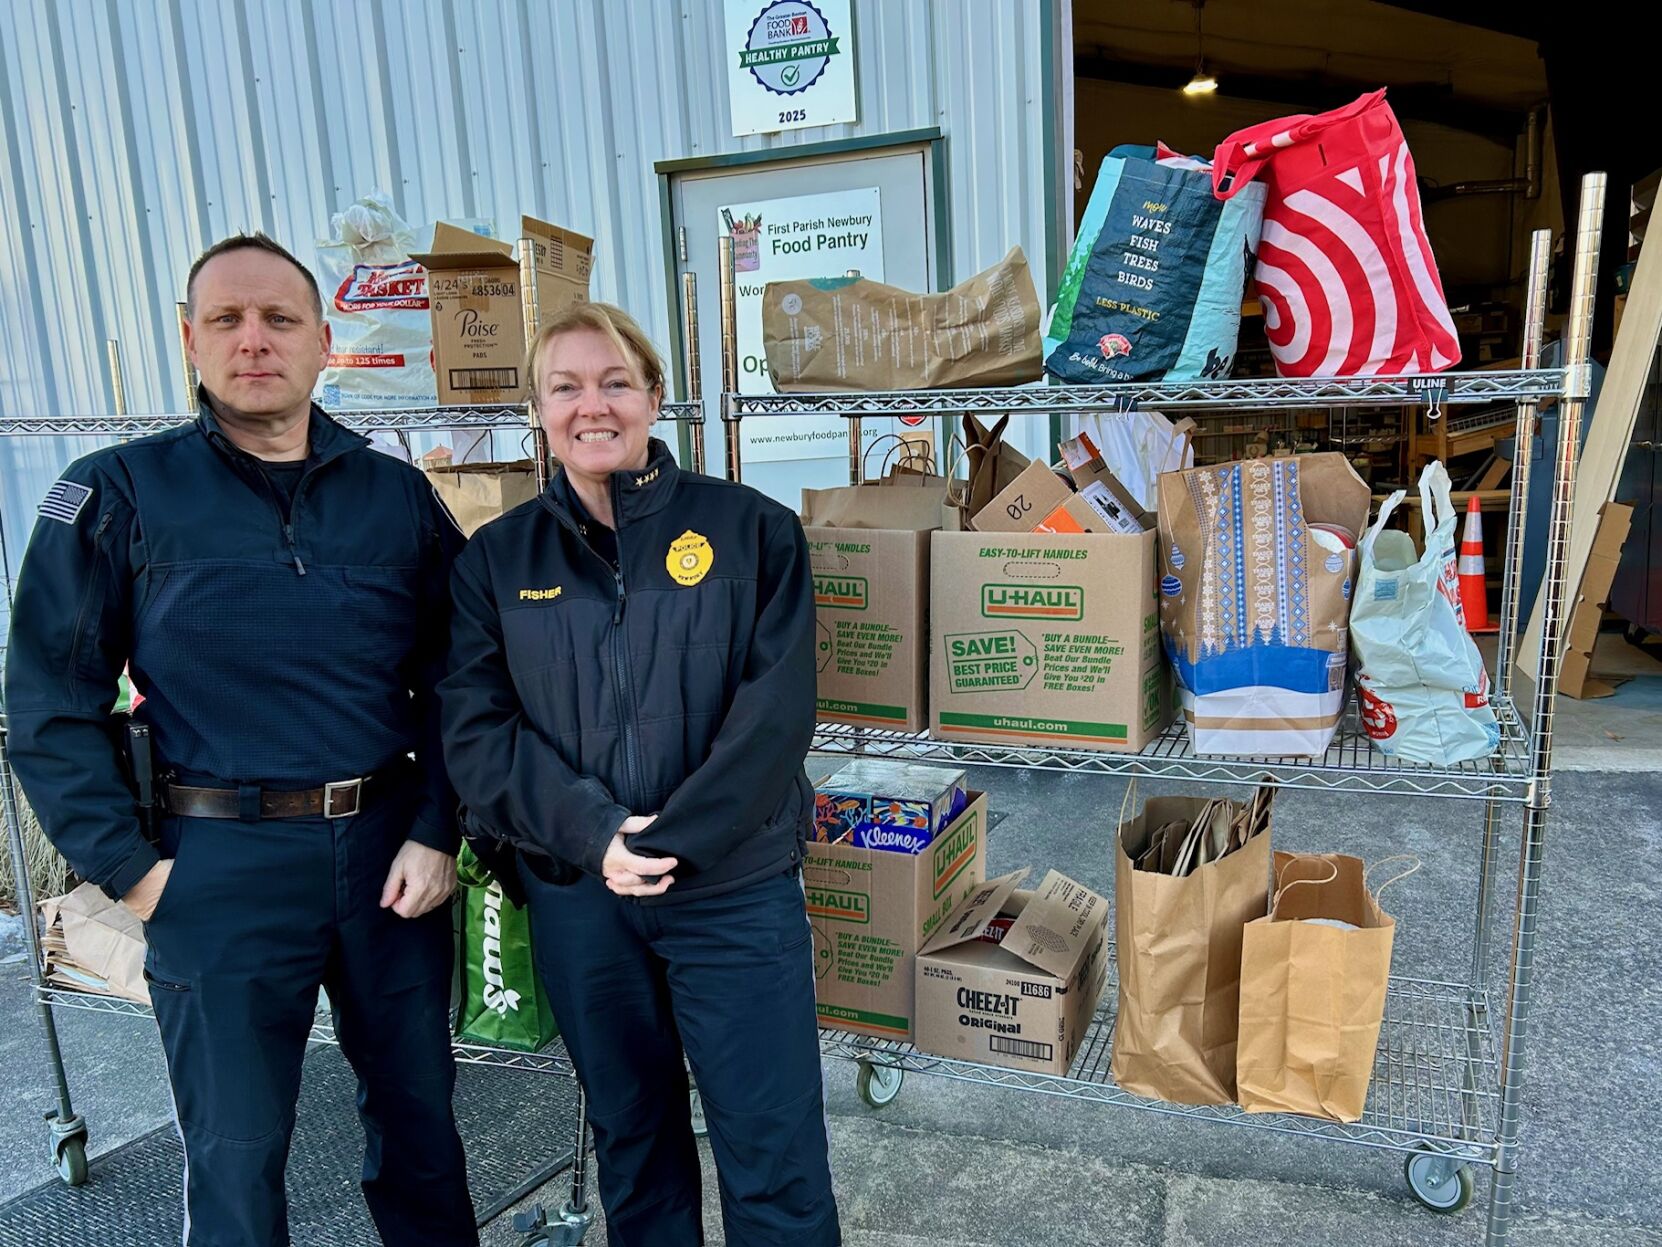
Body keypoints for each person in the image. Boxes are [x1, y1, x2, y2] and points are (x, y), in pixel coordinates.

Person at [3, 233, 477, 1247]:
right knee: (235, 1151)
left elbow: (460, 674)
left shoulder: (394, 497)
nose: (253, 340)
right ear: (190, 339)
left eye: (279, 319)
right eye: (227, 318)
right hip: (215, 866)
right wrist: (133, 871)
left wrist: (440, 826)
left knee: (423, 1128)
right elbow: (48, 701)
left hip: (389, 859)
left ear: (322, 342)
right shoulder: (116, 494)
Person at [439, 302, 840, 1247]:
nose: (594, 405)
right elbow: (477, 729)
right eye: (566, 386)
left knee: (773, 1150)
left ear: (655, 395)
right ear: (538, 408)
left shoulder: (754, 534)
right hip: (584, 897)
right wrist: (595, 836)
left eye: (616, 381)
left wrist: (661, 844)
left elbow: (775, 718)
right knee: (635, 1147)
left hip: (732, 892)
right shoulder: (496, 562)